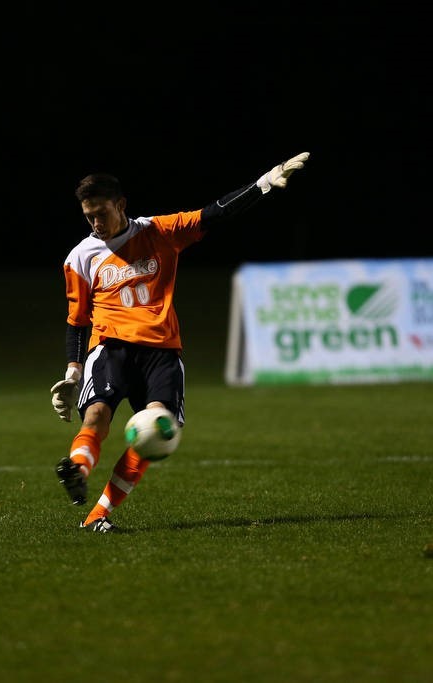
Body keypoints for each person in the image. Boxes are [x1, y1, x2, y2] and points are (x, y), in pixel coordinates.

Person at [50, 152, 310, 532]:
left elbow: (213, 214)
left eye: (101, 213)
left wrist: (262, 185)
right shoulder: (80, 257)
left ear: (121, 205)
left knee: (156, 432)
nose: (95, 223)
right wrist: (73, 373)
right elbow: (77, 320)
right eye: (88, 216)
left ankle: (98, 514)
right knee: (97, 415)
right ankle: (78, 469)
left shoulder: (160, 232)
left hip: (162, 353)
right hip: (111, 348)